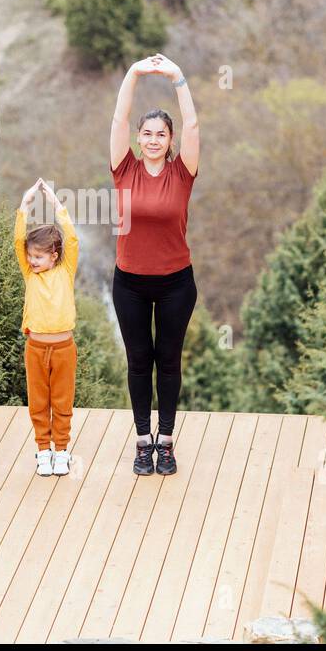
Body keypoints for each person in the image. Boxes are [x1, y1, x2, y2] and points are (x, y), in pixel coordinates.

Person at [108, 53, 199, 476]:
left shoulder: (183, 172)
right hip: (129, 283)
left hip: (176, 284)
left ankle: (167, 441)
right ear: (139, 138)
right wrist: (133, 74)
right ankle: (142, 442)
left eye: (161, 134)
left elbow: (195, 126)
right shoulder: (124, 168)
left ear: (171, 139)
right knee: (138, 360)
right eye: (147, 133)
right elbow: (117, 120)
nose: (152, 139)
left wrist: (177, 78)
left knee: (169, 360)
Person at [14, 178, 80, 477]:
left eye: (38, 256)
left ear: (54, 256)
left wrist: (56, 205)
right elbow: (18, 242)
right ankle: (43, 451)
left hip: (64, 348)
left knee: (62, 400)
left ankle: (62, 450)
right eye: (30, 256)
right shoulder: (30, 274)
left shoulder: (66, 271)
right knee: (38, 402)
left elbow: (72, 239)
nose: (32, 260)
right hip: (35, 348)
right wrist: (25, 207)